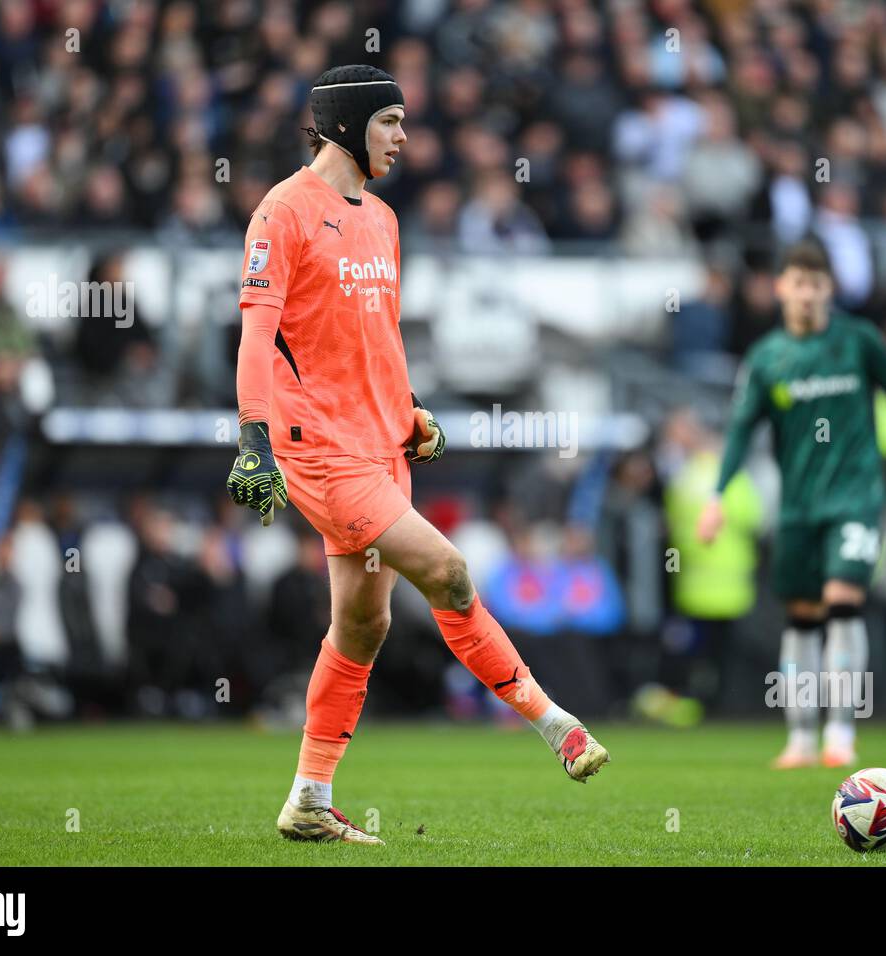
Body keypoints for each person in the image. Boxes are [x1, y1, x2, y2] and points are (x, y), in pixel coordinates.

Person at [226, 65, 609, 846]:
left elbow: (378, 336)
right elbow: (258, 335)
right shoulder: (282, 213)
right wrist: (252, 436)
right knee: (449, 571)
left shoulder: (385, 221)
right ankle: (555, 723)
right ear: (346, 126)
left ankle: (308, 795)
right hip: (320, 455)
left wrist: (409, 412)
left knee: (363, 630)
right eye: (391, 121)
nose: (404, 137)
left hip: (380, 447)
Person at [697, 237, 886, 768]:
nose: (807, 294)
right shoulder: (767, 359)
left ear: (829, 289)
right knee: (803, 618)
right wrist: (716, 496)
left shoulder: (859, 341)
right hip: (798, 507)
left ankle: (841, 734)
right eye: (799, 283)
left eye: (817, 284)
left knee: (843, 601)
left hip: (855, 497)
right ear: (782, 287)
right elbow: (740, 431)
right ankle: (801, 737)